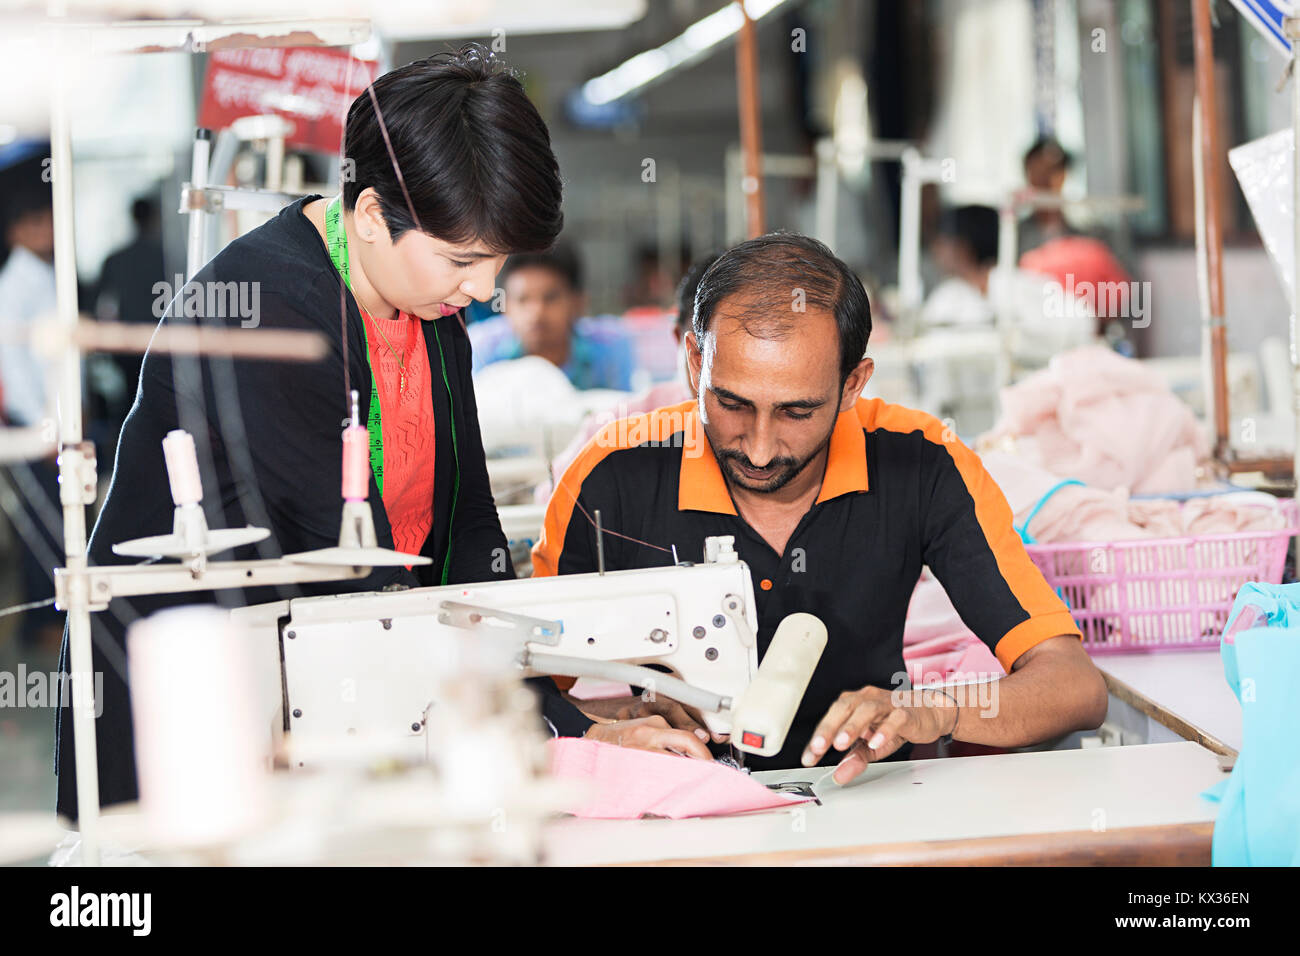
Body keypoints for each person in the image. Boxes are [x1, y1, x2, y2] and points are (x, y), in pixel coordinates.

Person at [54, 46, 687, 822]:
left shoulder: (430, 307)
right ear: (370, 217)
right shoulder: (266, 314)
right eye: (465, 259)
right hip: (196, 710)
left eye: (498, 262)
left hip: (334, 683)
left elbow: (468, 526)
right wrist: (551, 734)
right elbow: (358, 578)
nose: (486, 289)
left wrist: (554, 715)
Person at [533, 233, 1108, 783]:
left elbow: (1074, 686)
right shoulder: (614, 475)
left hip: (865, 806)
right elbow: (509, 684)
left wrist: (932, 711)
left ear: (854, 381)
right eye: (731, 403)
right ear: (692, 361)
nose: (758, 448)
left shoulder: (921, 465)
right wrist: (595, 733)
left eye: (796, 413)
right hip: (681, 816)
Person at [469, 244, 635, 391]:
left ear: (578, 302)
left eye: (550, 298)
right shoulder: (481, 350)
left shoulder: (610, 348)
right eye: (522, 299)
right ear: (505, 305)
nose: (536, 312)